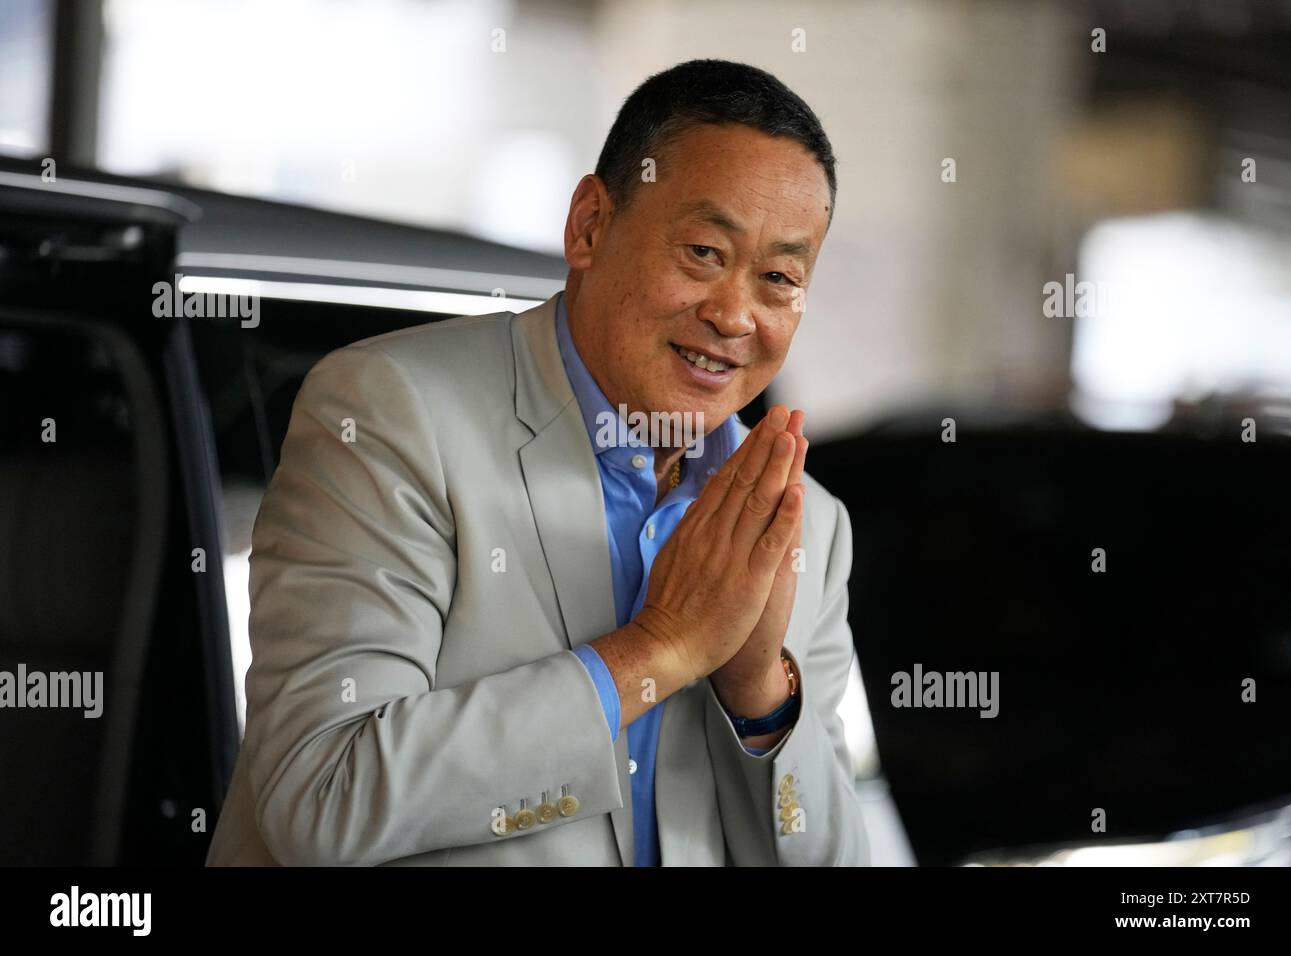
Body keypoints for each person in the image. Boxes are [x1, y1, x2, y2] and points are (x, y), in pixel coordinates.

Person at [207, 58, 869, 866]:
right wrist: (659, 650)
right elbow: (323, 800)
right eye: (702, 250)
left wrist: (759, 694)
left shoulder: (806, 522)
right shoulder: (388, 412)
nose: (734, 313)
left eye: (777, 277)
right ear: (589, 224)